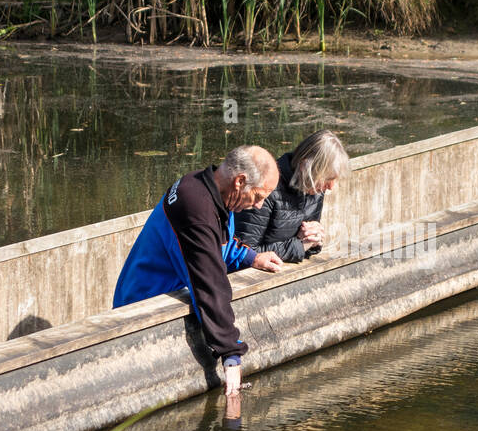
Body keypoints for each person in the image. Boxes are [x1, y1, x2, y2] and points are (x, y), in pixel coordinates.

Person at [113, 145, 283, 395]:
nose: (259, 206)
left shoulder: (209, 189)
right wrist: (231, 353)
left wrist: (250, 257)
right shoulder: (194, 206)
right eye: (258, 196)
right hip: (141, 307)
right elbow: (210, 285)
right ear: (240, 181)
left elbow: (219, 243)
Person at [235, 130, 350, 263]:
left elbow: (308, 240)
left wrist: (314, 238)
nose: (330, 187)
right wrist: (300, 245)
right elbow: (245, 252)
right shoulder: (267, 189)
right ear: (305, 167)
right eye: (328, 178)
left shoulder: (314, 188)